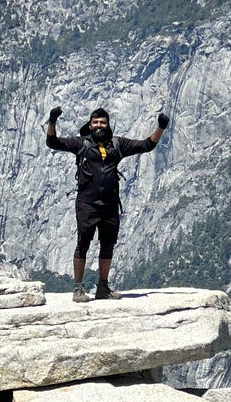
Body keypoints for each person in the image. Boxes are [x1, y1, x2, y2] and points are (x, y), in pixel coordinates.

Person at [46, 104, 169, 301]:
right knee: (82, 244)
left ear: (108, 125)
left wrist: (160, 128)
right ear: (90, 124)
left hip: (110, 205)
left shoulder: (117, 144)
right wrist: (52, 121)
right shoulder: (81, 144)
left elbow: (147, 145)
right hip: (87, 203)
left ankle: (103, 287)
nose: (99, 125)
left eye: (103, 122)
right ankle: (78, 289)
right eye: (95, 122)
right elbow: (52, 142)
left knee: (108, 245)